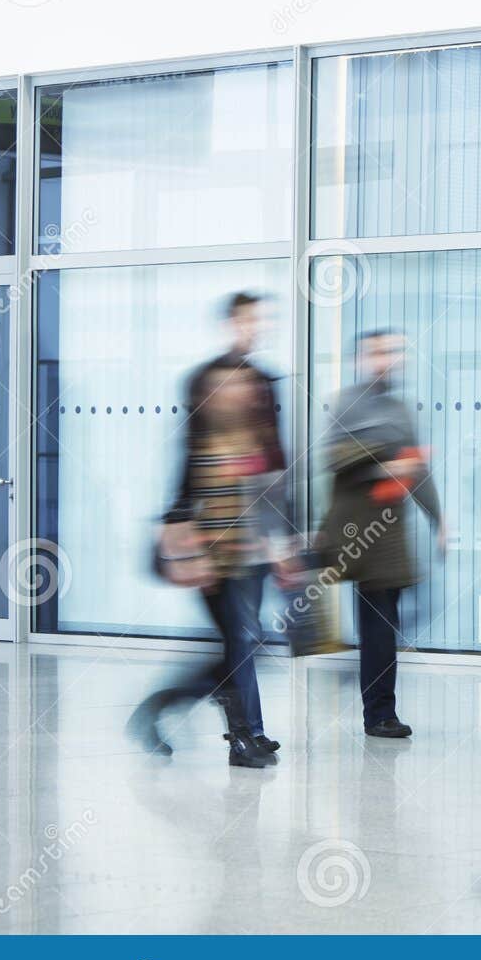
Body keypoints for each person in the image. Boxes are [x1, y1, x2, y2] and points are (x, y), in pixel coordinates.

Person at [128, 291, 293, 769]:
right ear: (229, 324)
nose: (254, 329)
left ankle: (240, 729)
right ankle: (235, 734)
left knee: (246, 641)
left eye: (260, 321)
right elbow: (186, 465)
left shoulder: (265, 382)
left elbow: (277, 468)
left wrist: (284, 539)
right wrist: (178, 527)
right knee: (242, 640)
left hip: (254, 539)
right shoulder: (202, 382)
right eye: (246, 321)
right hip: (214, 543)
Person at [317, 329, 445, 739]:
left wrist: (439, 520)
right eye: (377, 352)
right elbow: (333, 459)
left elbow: (417, 469)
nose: (386, 359)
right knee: (378, 627)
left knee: (389, 623)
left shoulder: (400, 409)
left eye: (393, 352)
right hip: (359, 530)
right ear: (361, 358)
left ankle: (379, 707)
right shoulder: (347, 403)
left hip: (391, 531)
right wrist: (383, 461)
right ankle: (379, 714)